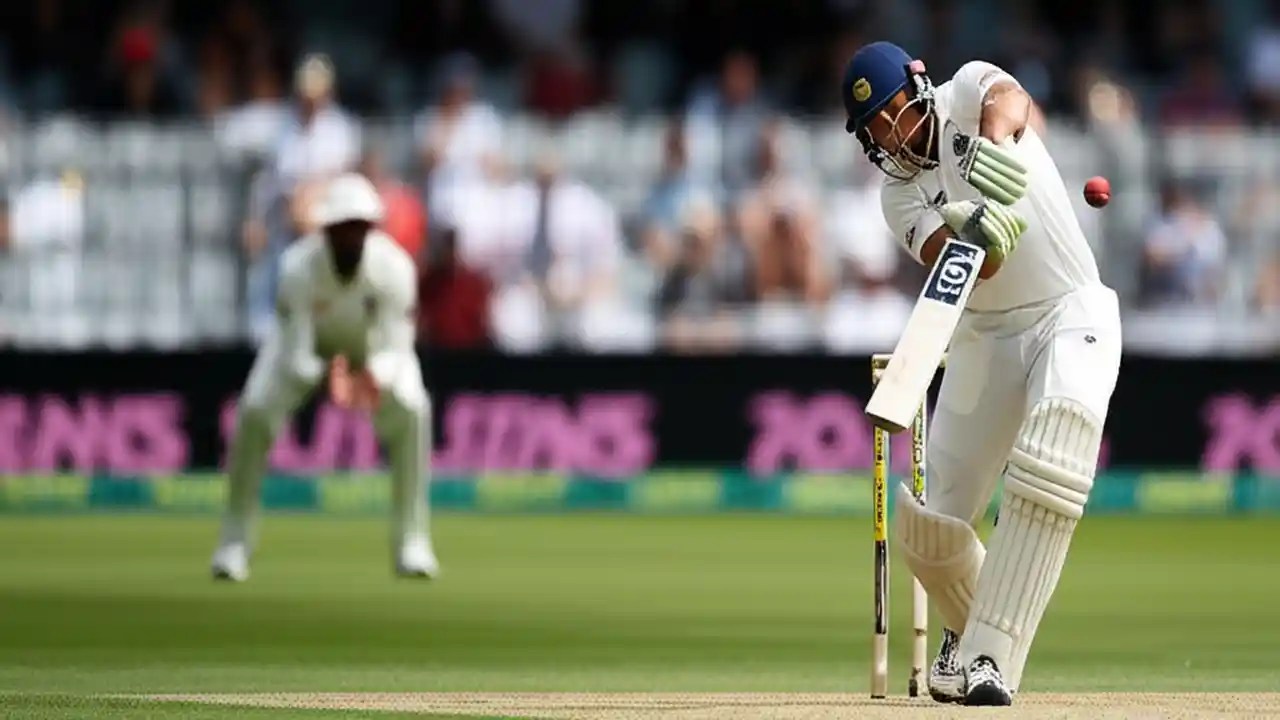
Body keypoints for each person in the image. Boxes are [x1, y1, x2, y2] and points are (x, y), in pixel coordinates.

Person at [841, 42, 1121, 706]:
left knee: (1056, 446)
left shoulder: (965, 93)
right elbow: (968, 268)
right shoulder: (897, 197)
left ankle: (991, 658)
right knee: (931, 530)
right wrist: (973, 232)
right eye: (874, 133)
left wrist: (994, 144)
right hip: (983, 334)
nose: (888, 139)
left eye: (891, 117)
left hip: (1068, 307)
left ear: (918, 92)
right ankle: (959, 640)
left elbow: (1011, 100)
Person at [211, 174, 438, 582]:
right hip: (307, 354)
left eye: (358, 228)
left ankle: (412, 542)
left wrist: (369, 376)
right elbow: (296, 353)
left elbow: (397, 346)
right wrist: (326, 376)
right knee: (255, 411)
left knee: (415, 410)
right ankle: (234, 543)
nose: (349, 238)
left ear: (371, 229)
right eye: (341, 228)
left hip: (371, 355)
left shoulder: (395, 268)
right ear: (326, 229)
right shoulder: (297, 267)